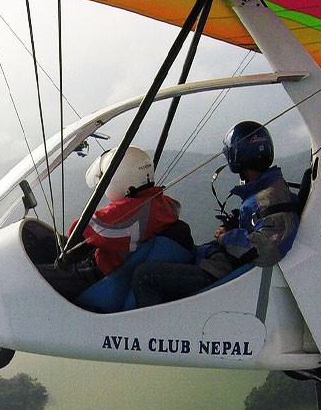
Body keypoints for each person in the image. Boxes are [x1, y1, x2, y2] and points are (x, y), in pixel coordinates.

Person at [131, 120, 299, 308]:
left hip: (220, 270)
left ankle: (156, 332)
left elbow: (267, 249)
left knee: (143, 276)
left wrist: (227, 236)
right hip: (217, 261)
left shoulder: (270, 197)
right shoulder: (266, 190)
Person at [37, 145, 186, 300]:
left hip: (98, 273)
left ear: (117, 178)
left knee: (34, 276)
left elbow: (79, 228)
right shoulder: (164, 203)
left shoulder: (130, 211)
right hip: (123, 261)